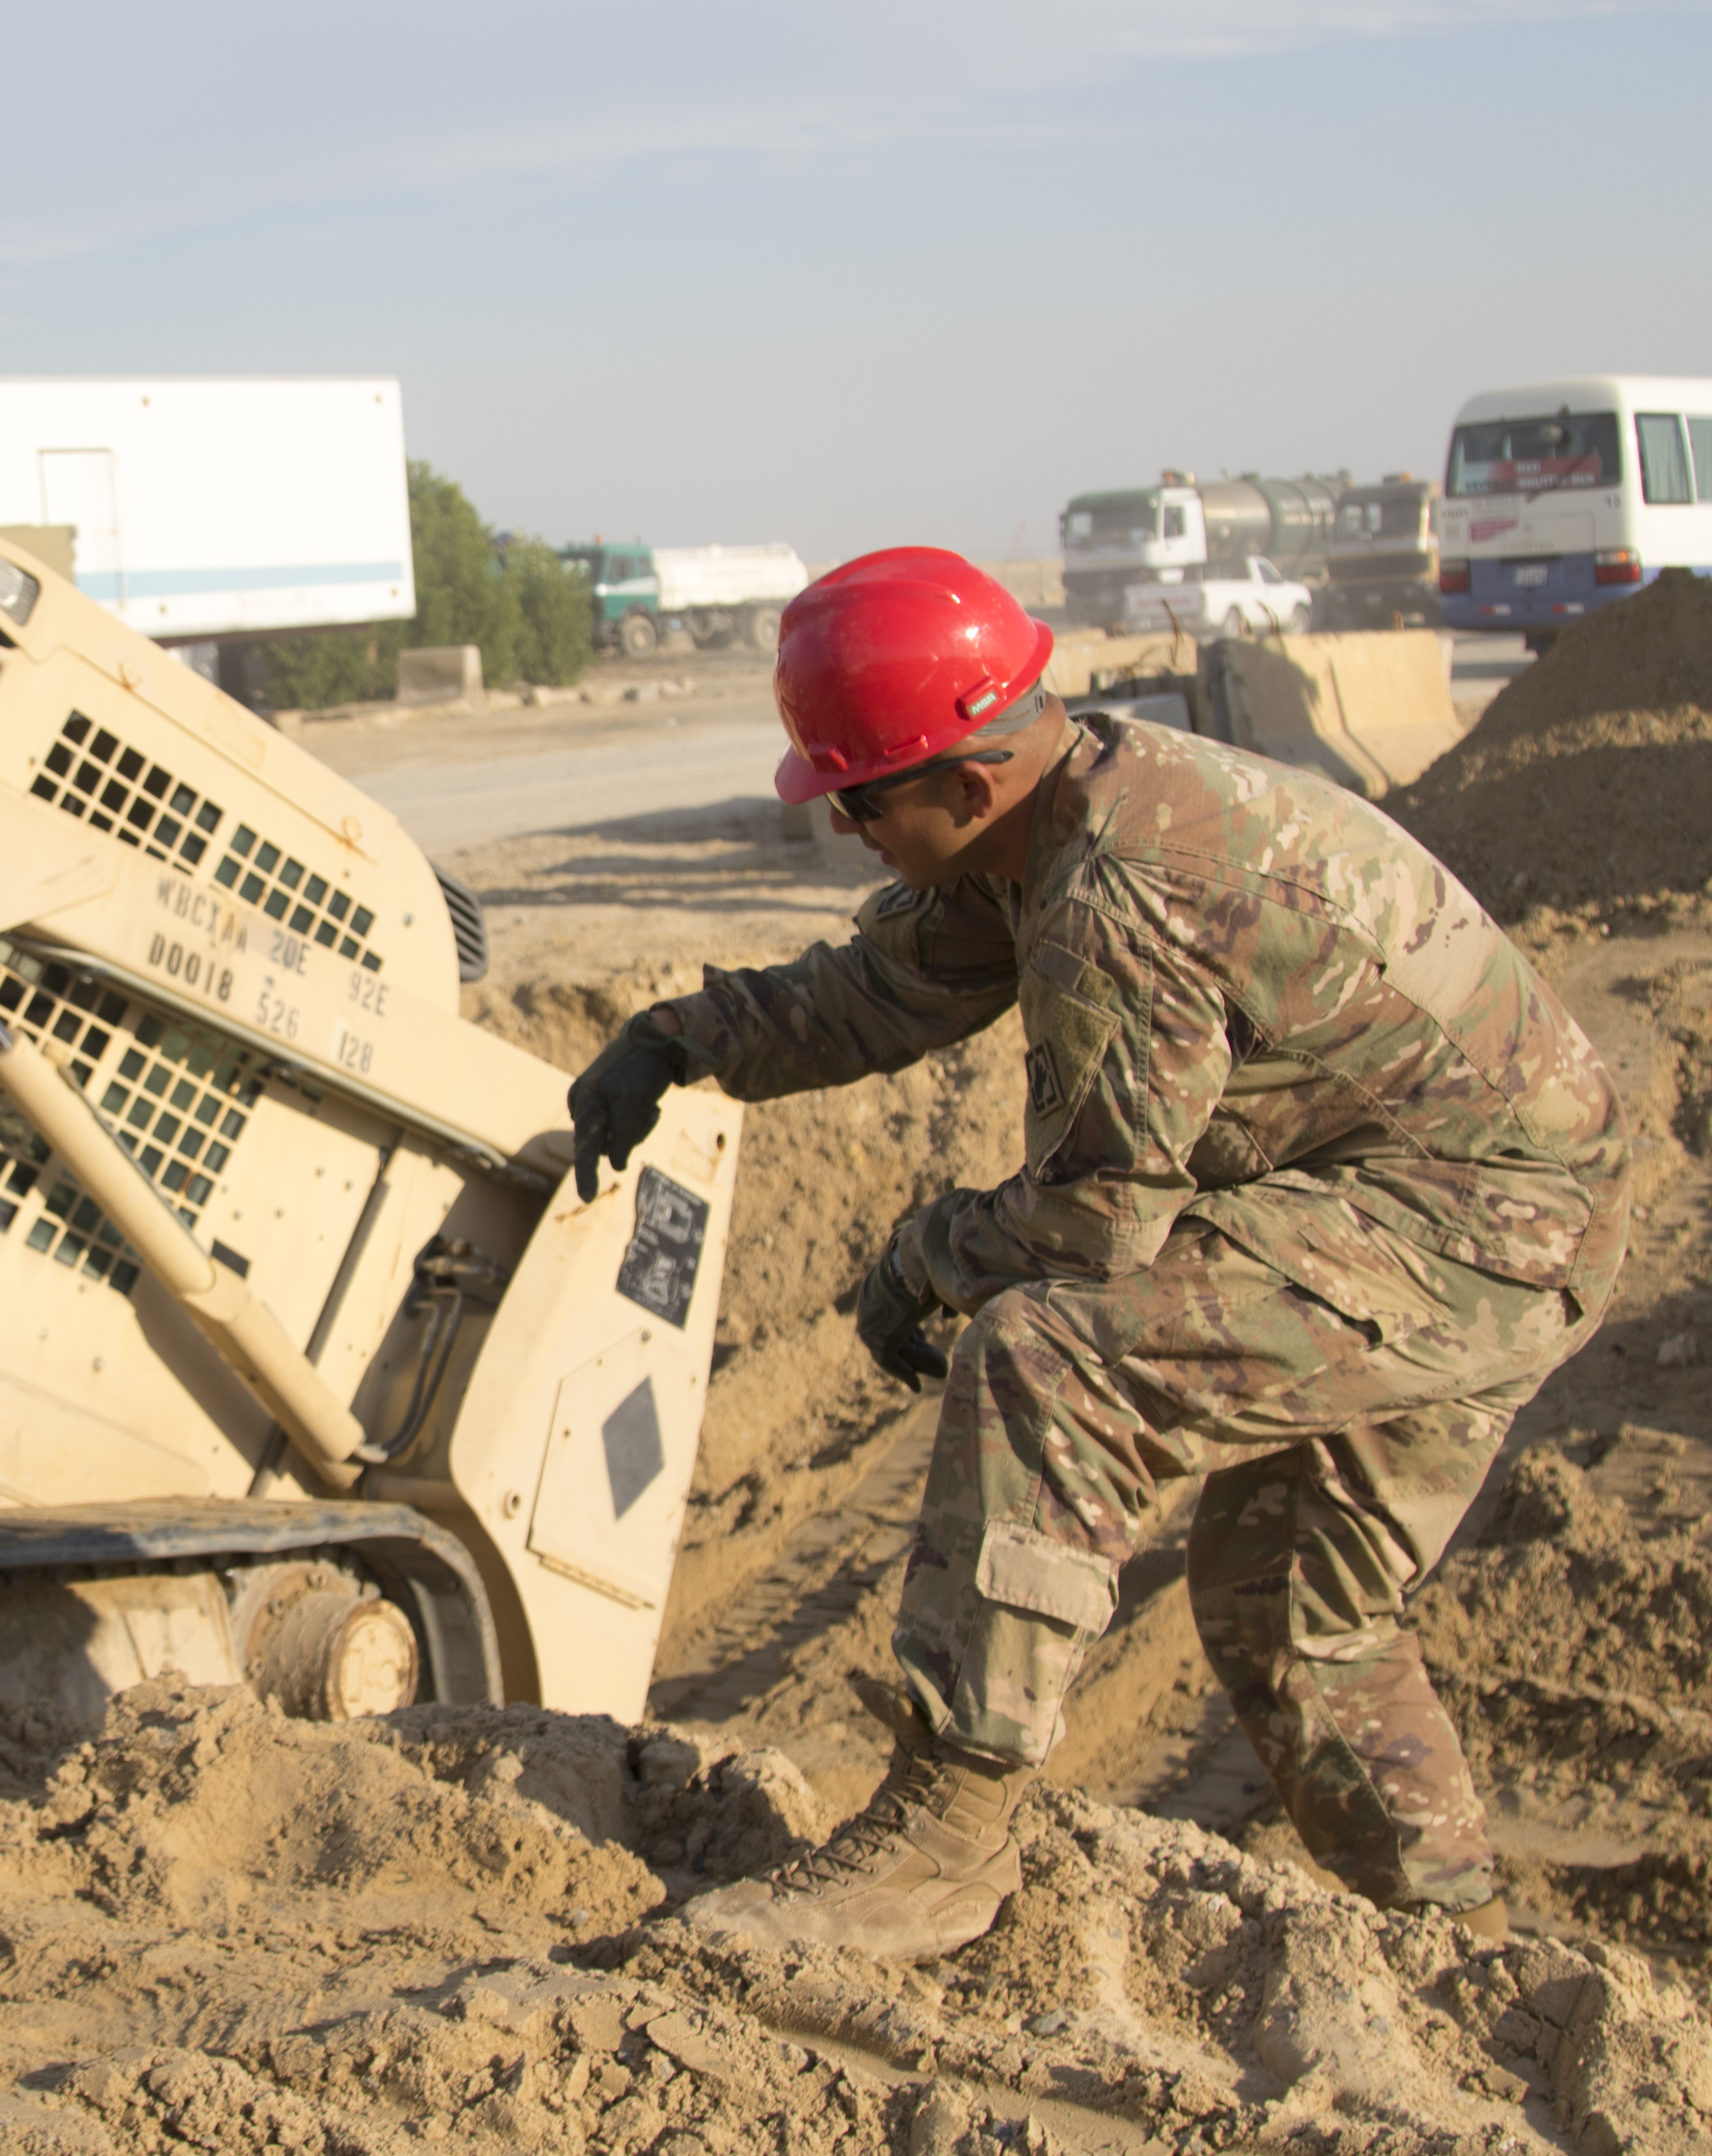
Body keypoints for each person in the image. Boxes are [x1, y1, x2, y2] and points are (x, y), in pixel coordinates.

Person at [568, 548, 1625, 1959]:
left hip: (1479, 1225)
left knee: (1050, 1355)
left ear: (964, 779)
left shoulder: (1115, 885)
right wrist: (677, 1040)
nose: (841, 831)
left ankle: (945, 1837)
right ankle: (1467, 1950)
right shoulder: (1046, 810)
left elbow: (1092, 1226)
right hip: (1465, 1202)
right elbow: (885, 986)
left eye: (856, 798)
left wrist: (923, 1253)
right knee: (1286, 1608)